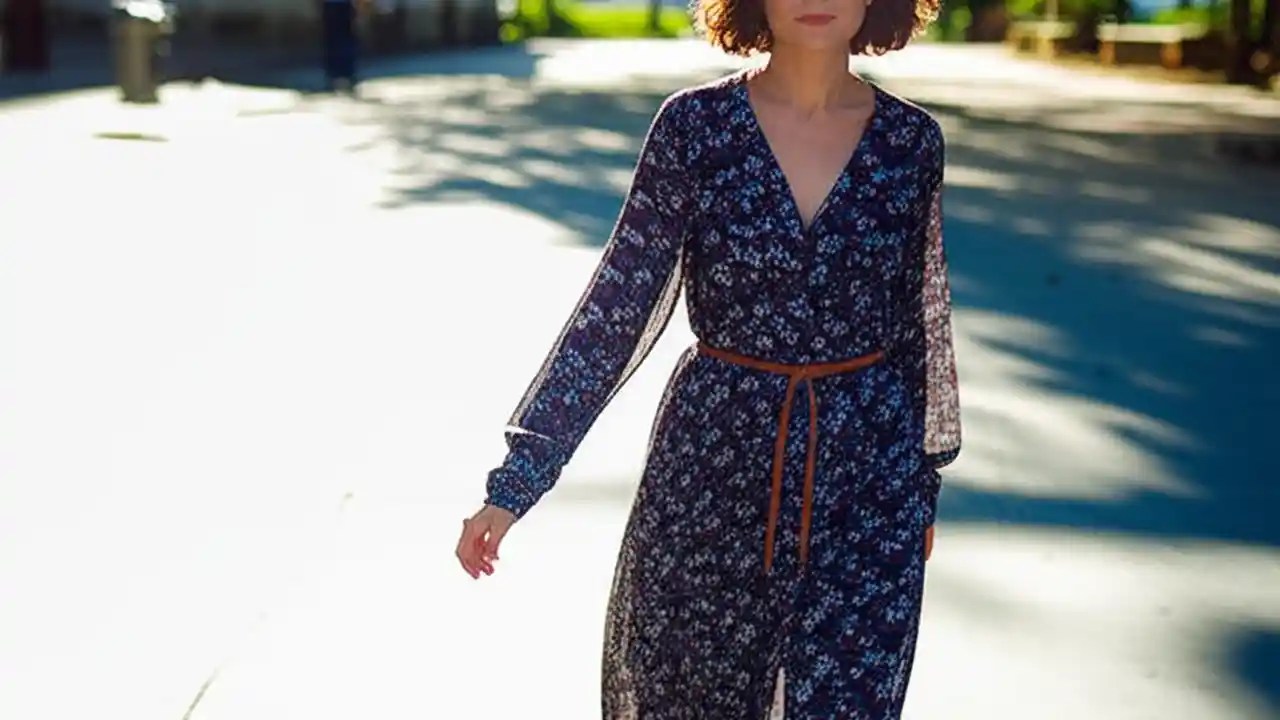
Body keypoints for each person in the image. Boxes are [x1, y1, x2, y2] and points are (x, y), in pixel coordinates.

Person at [455, 0, 961, 714]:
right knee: (691, 698)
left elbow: (916, 327)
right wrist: (519, 479)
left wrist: (922, 484)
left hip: (865, 484)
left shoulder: (912, 143)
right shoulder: (696, 130)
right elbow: (617, 309)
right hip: (712, 470)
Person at [320, 0, 360, 92]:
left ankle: (340, 74)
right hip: (338, 5)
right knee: (339, 39)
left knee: (336, 40)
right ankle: (342, 74)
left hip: (335, 5)